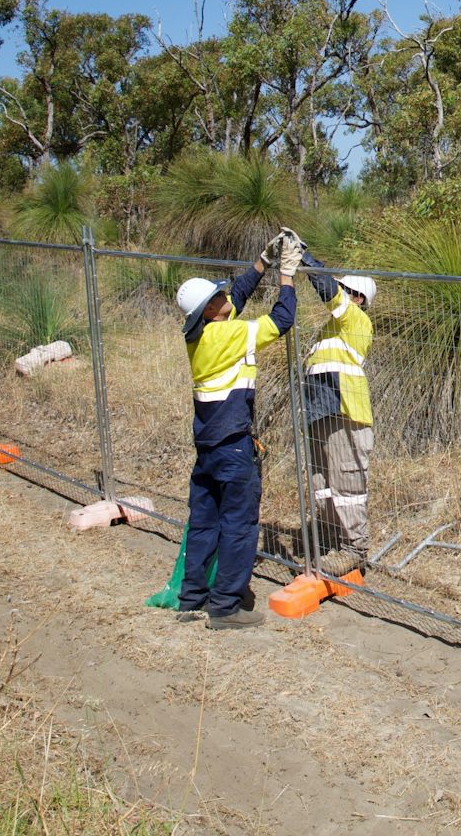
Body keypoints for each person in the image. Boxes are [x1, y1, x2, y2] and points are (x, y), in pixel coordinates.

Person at [171, 230, 302, 630]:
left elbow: (236, 300)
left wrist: (261, 263)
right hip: (233, 448)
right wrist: (287, 276)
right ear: (208, 311)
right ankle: (226, 607)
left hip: (208, 448)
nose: (225, 297)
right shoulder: (230, 334)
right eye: (217, 297)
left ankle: (191, 599)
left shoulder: (200, 335)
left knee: (205, 522)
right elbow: (282, 320)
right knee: (240, 524)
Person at [294, 236, 376, 579]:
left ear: (358, 298)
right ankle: (333, 542)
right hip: (319, 409)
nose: (339, 293)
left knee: (347, 482)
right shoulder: (329, 329)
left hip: (345, 410)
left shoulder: (357, 321)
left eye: (345, 290)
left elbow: (327, 290)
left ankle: (354, 549)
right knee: (323, 483)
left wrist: (304, 256)